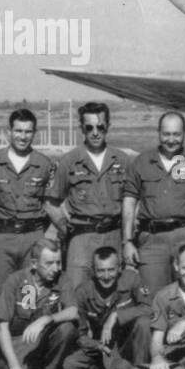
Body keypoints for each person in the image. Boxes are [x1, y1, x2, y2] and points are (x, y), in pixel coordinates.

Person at [122, 111, 185, 296]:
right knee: (153, 299)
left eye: (176, 135)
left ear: (184, 134)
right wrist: (127, 241)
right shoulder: (141, 162)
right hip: (152, 240)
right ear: (158, 133)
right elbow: (129, 203)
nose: (171, 140)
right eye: (166, 134)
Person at [49, 101, 131, 292]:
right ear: (82, 129)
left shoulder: (122, 160)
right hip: (81, 236)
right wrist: (64, 226)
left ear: (108, 127)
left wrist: (127, 237)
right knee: (76, 290)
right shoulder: (69, 161)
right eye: (89, 128)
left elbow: (133, 200)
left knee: (115, 292)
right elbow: (51, 201)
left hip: (113, 234)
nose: (95, 132)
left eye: (100, 127)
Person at [0, 108, 60, 292]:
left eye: (28, 131)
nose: (23, 136)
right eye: (18, 131)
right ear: (9, 132)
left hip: (32, 238)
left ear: (35, 133)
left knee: (29, 293)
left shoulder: (45, 165)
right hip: (1, 237)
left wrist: (36, 230)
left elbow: (49, 203)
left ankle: (27, 321)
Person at [0, 238, 78, 369]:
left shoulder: (62, 279)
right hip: (16, 347)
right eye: (49, 263)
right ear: (34, 264)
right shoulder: (14, 281)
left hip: (41, 344)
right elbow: (1, 328)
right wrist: (14, 366)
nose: (56, 268)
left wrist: (47, 319)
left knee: (67, 328)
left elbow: (73, 311)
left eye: (58, 262)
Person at [59, 246, 148, 369]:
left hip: (126, 345)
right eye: (101, 271)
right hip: (102, 345)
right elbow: (80, 334)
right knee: (70, 365)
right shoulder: (83, 291)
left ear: (119, 268)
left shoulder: (132, 279)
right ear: (93, 270)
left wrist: (116, 316)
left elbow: (148, 308)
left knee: (143, 323)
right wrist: (96, 345)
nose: (106, 276)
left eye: (111, 270)